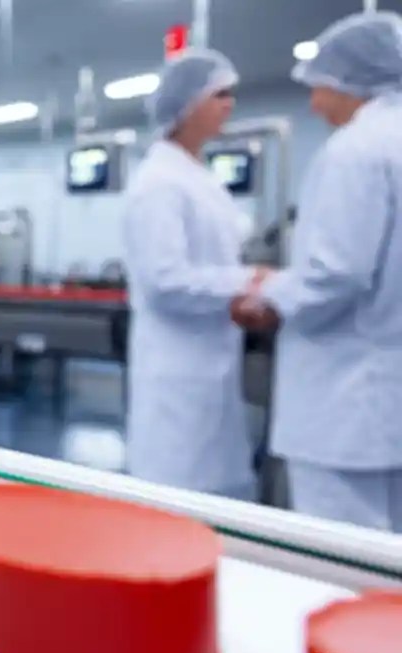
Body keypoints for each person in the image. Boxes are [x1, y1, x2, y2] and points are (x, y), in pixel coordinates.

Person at [235, 12, 402, 531]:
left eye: (320, 87)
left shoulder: (356, 151)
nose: (313, 103)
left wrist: (268, 294)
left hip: (347, 406)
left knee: (345, 555)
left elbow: (336, 273)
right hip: (383, 395)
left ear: (350, 82)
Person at [121, 49, 268, 500]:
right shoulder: (157, 183)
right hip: (176, 368)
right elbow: (166, 279)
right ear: (186, 106)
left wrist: (245, 287)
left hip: (211, 359)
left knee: (218, 496)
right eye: (219, 94)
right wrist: (248, 283)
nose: (230, 104)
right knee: (174, 499)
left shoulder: (199, 178)